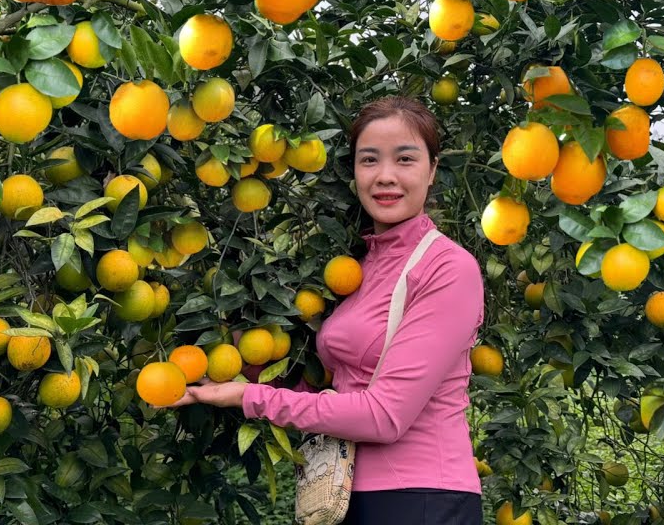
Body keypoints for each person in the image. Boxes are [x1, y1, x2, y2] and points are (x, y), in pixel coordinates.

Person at [169, 95, 486, 524]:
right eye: (369, 160)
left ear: (432, 170)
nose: (385, 176)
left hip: (422, 498)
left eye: (405, 159)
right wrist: (236, 369)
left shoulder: (448, 269)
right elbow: (338, 396)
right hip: (340, 495)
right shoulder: (352, 268)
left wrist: (251, 397)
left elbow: (383, 417)